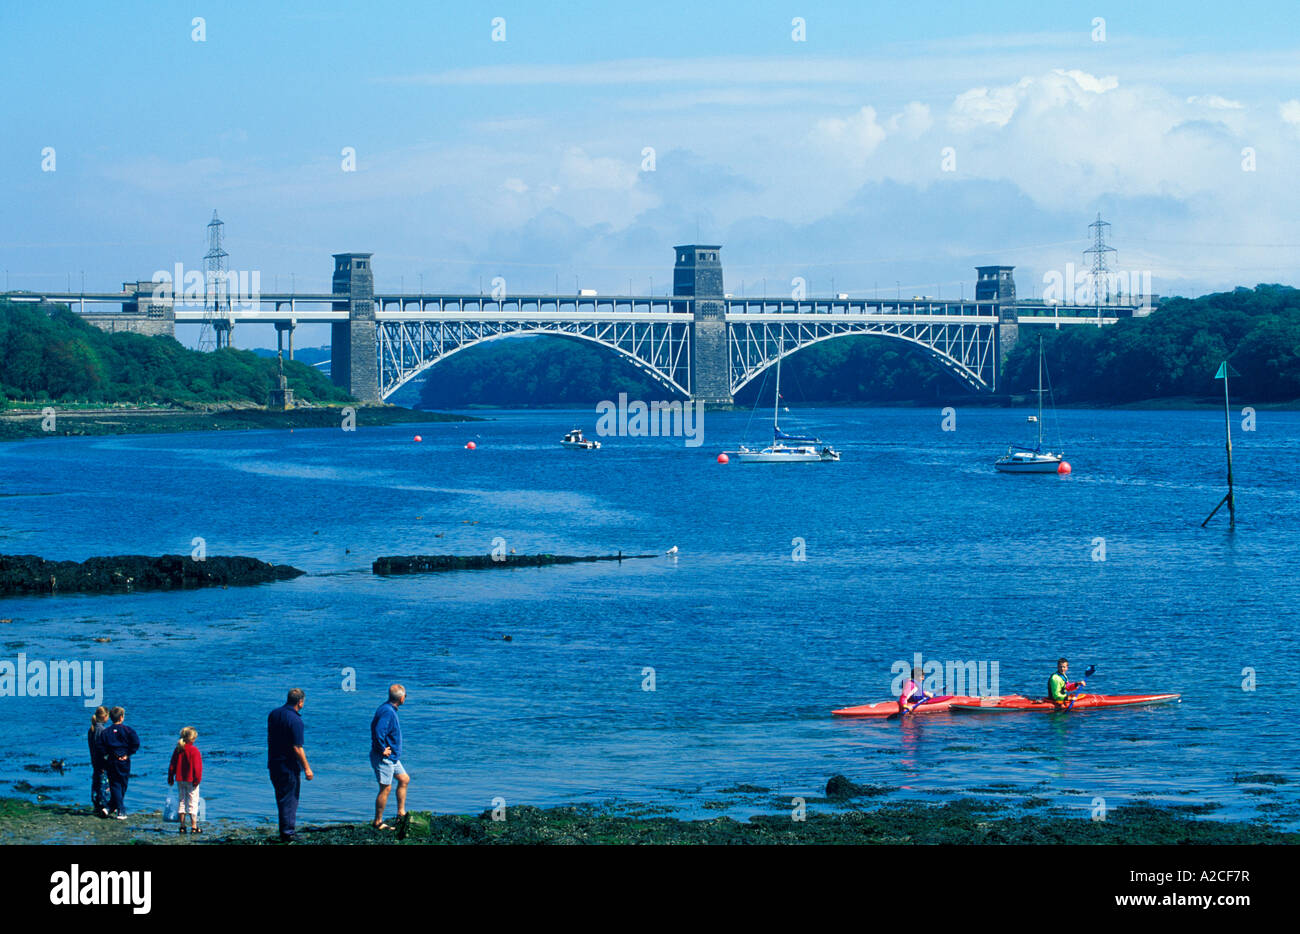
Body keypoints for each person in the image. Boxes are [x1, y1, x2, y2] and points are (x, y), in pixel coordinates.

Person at [267, 688, 313, 843]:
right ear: (300, 702)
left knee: (281, 796)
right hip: (288, 764)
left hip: (274, 762)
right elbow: (297, 748)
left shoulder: (274, 714)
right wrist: (307, 768)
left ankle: (284, 829)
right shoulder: (295, 720)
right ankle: (288, 832)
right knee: (290, 798)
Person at [370, 684, 411, 830]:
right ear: (401, 698)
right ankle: (378, 821)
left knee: (404, 779)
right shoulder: (387, 712)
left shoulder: (387, 708)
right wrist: (382, 749)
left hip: (393, 757)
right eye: (405, 696)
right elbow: (378, 731)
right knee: (385, 788)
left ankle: (401, 812)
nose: (405, 698)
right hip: (385, 758)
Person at [98, 706, 140, 820]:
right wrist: (128, 753)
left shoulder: (106, 732)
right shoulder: (128, 730)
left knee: (117, 784)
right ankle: (121, 810)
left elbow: (100, 747)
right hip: (123, 761)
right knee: (120, 784)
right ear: (121, 718)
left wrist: (106, 756)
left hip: (112, 760)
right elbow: (136, 743)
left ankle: (110, 807)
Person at [167, 726, 204, 835]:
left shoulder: (178, 749)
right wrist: (197, 780)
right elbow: (197, 768)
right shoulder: (194, 751)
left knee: (182, 801)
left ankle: (182, 826)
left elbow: (172, 765)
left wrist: (170, 777)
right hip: (191, 780)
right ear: (192, 739)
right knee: (193, 802)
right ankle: (193, 826)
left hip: (180, 779)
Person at [86, 706, 110, 816]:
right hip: (102, 761)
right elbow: (103, 748)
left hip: (94, 760)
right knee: (103, 782)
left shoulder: (92, 729)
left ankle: (96, 804)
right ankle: (104, 805)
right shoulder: (102, 730)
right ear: (105, 717)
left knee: (96, 781)